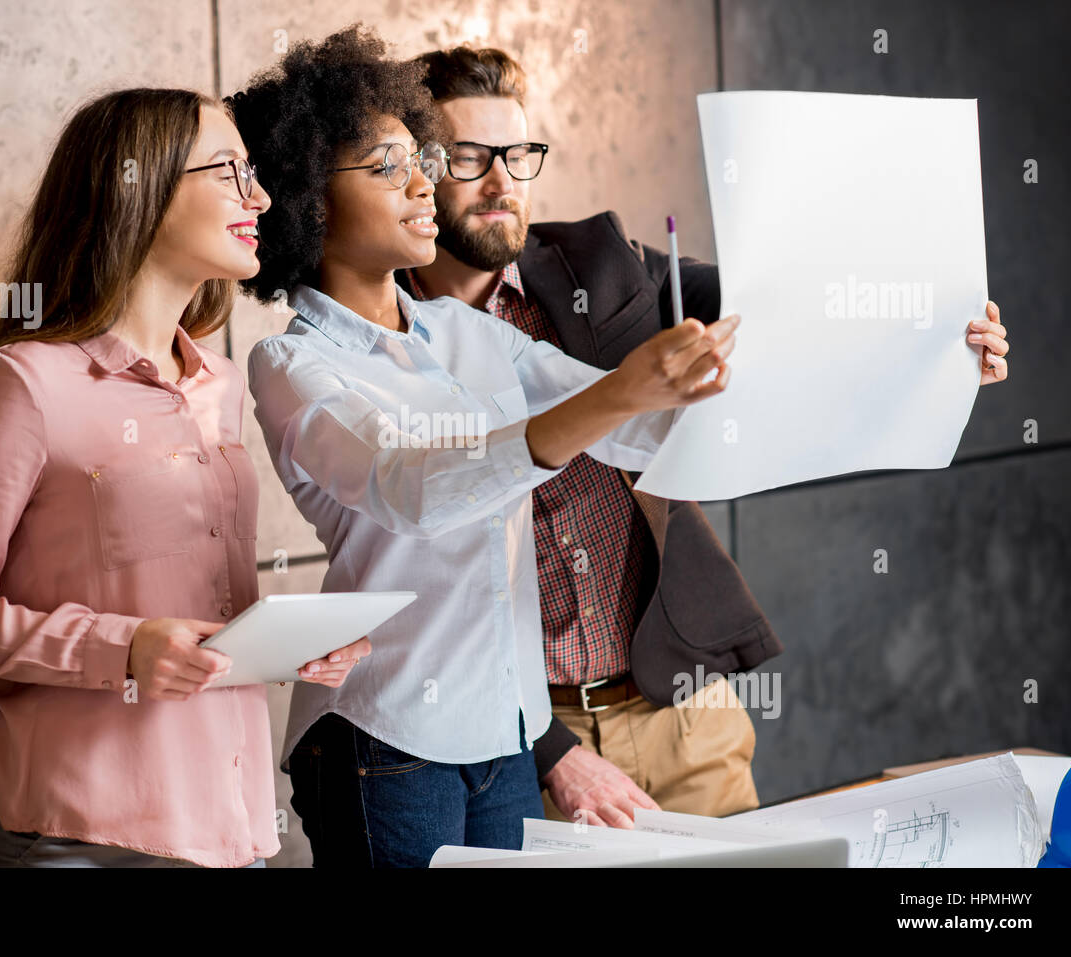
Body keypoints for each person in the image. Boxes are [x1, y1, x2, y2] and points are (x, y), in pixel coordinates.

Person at [399, 44, 1013, 823]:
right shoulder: (385, 338)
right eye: (470, 157)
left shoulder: (596, 260)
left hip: (681, 704)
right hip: (516, 744)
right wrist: (552, 752)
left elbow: (786, 310)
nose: (502, 182)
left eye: (520, 155)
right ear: (417, 165)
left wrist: (939, 342)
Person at [227, 24, 741, 867]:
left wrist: (875, 368)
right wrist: (621, 388)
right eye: (388, 167)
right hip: (385, 740)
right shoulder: (290, 361)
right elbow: (413, 486)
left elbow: (635, 427)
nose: (423, 185)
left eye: (421, 163)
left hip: (507, 734)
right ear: (309, 196)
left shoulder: (466, 332)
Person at [0, 88, 370, 868]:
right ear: (137, 187)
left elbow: (195, 611)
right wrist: (122, 648)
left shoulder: (217, 382)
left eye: (253, 172)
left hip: (241, 826)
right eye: (228, 171)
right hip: (93, 838)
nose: (260, 196)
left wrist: (286, 646)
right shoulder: (27, 384)